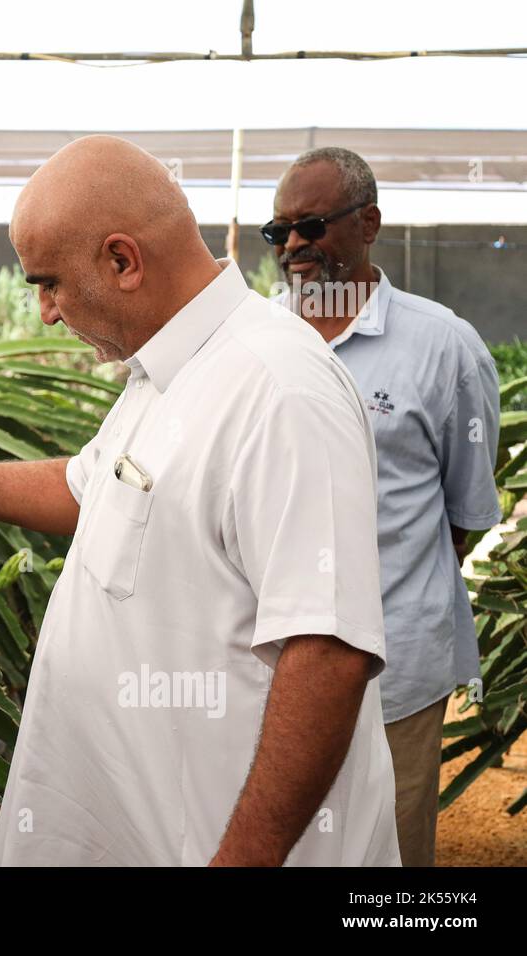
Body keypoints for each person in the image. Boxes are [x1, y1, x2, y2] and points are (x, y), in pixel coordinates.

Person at [0, 134, 400, 866]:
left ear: (122, 261)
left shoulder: (277, 387)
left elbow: (328, 652)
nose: (44, 311)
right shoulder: (163, 372)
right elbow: (91, 488)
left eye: (48, 283)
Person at [265, 147, 502, 866]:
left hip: (395, 672)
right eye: (279, 233)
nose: (294, 246)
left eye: (310, 224)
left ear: (369, 223)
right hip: (269, 671)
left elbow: (462, 514)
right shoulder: (256, 343)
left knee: (392, 855)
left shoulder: (443, 347)